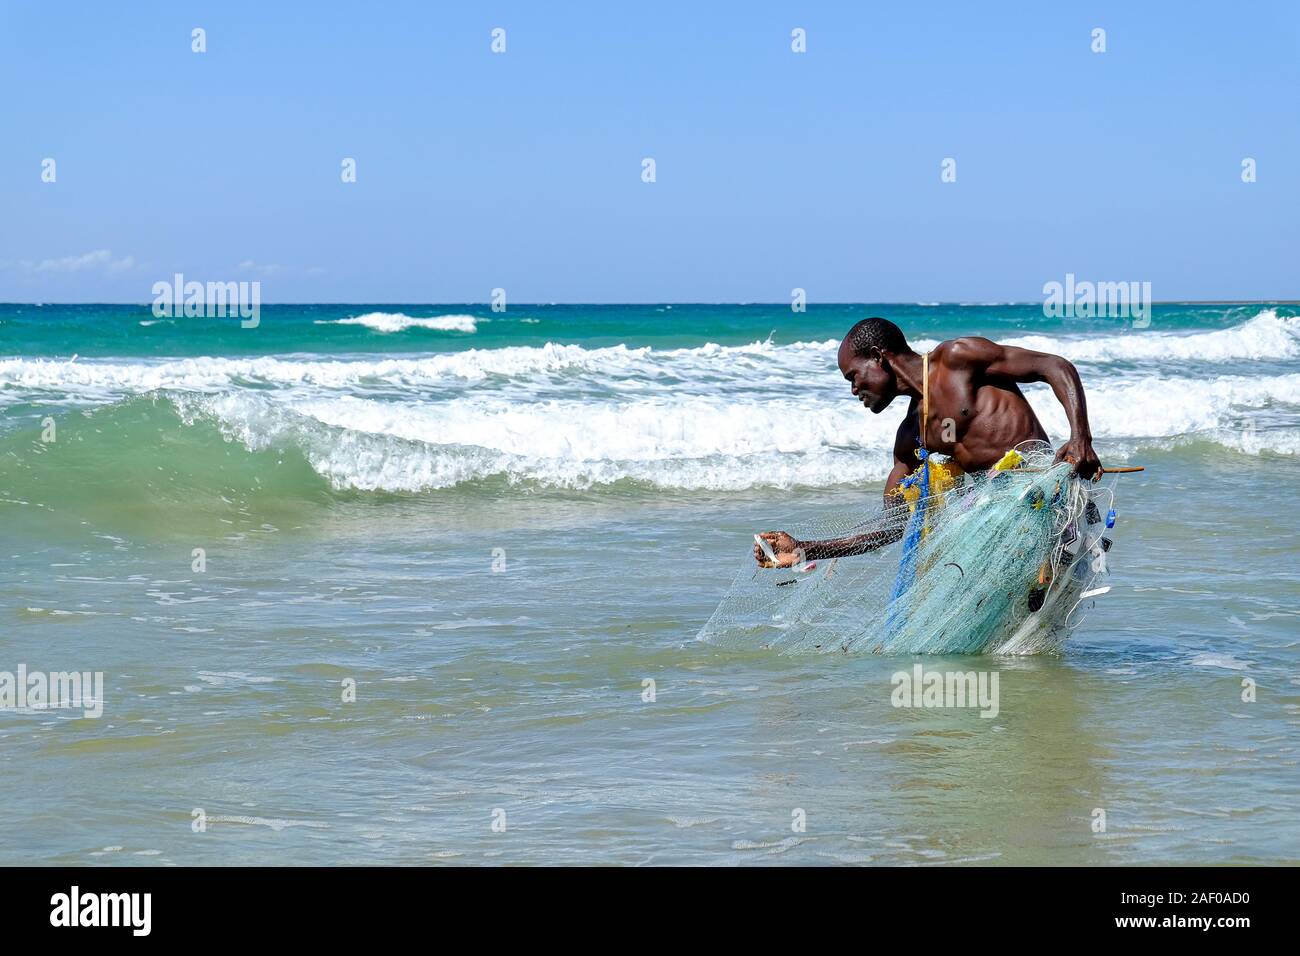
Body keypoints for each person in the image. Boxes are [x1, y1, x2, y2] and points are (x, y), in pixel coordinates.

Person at [755, 316, 1102, 566]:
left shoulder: (957, 359)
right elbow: (890, 527)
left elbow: (1054, 366)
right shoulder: (912, 437)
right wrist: (806, 548)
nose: (853, 390)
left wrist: (1080, 439)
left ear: (879, 357)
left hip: (1051, 500)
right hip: (1002, 524)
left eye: (854, 376)